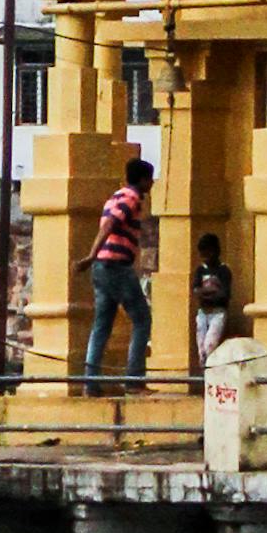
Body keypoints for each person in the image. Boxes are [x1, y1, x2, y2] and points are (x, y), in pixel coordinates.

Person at [83, 156, 156, 390]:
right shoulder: (131, 198)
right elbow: (109, 225)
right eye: (150, 179)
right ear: (143, 179)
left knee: (101, 325)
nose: (152, 183)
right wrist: (91, 254)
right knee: (142, 319)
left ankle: (90, 383)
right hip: (116, 266)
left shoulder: (114, 196)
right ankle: (134, 380)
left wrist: (94, 258)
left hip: (102, 269)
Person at [190, 224, 239, 383]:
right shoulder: (200, 270)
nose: (205, 257)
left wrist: (206, 294)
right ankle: (205, 377)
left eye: (208, 253)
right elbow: (196, 290)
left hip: (218, 312)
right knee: (201, 348)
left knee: (211, 344)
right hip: (203, 313)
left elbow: (224, 294)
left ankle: (213, 377)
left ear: (216, 251)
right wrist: (211, 294)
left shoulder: (224, 271)